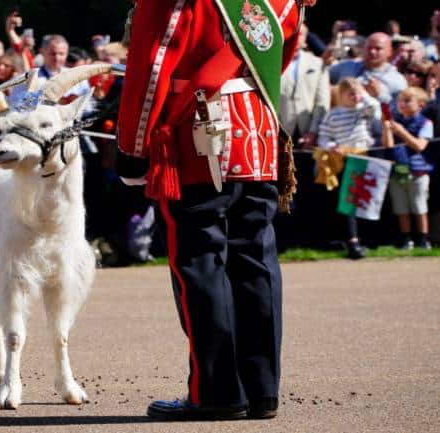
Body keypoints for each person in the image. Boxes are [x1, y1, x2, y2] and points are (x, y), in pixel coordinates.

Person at [116, 0, 315, 421]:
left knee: (201, 262)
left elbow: (151, 67)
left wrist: (133, 150)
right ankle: (261, 390)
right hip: (258, 132)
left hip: (197, 132)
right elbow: (280, 52)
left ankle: (216, 390)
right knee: (255, 260)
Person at [316, 77, 381, 259]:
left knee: (365, 200)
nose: (355, 96)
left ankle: (365, 239)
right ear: (341, 95)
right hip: (342, 159)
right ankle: (352, 241)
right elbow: (323, 137)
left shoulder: (363, 110)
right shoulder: (333, 114)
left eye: (357, 93)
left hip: (363, 156)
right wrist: (331, 146)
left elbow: (376, 108)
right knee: (349, 201)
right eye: (350, 93)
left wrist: (364, 94)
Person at [382, 87, 435, 250]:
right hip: (398, 168)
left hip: (418, 170)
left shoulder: (426, 123)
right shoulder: (396, 121)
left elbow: (420, 145)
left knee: (419, 205)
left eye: (407, 101)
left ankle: (423, 238)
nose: (402, 104)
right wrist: (387, 128)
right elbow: (388, 145)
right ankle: (405, 238)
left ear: (421, 105)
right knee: (401, 206)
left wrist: (401, 131)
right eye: (400, 101)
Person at [328, 32, 407, 104]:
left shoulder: (397, 80)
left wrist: (379, 95)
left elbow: (399, 112)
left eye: (378, 48)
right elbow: (322, 77)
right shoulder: (347, 65)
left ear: (390, 52)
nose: (372, 51)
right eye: (369, 48)